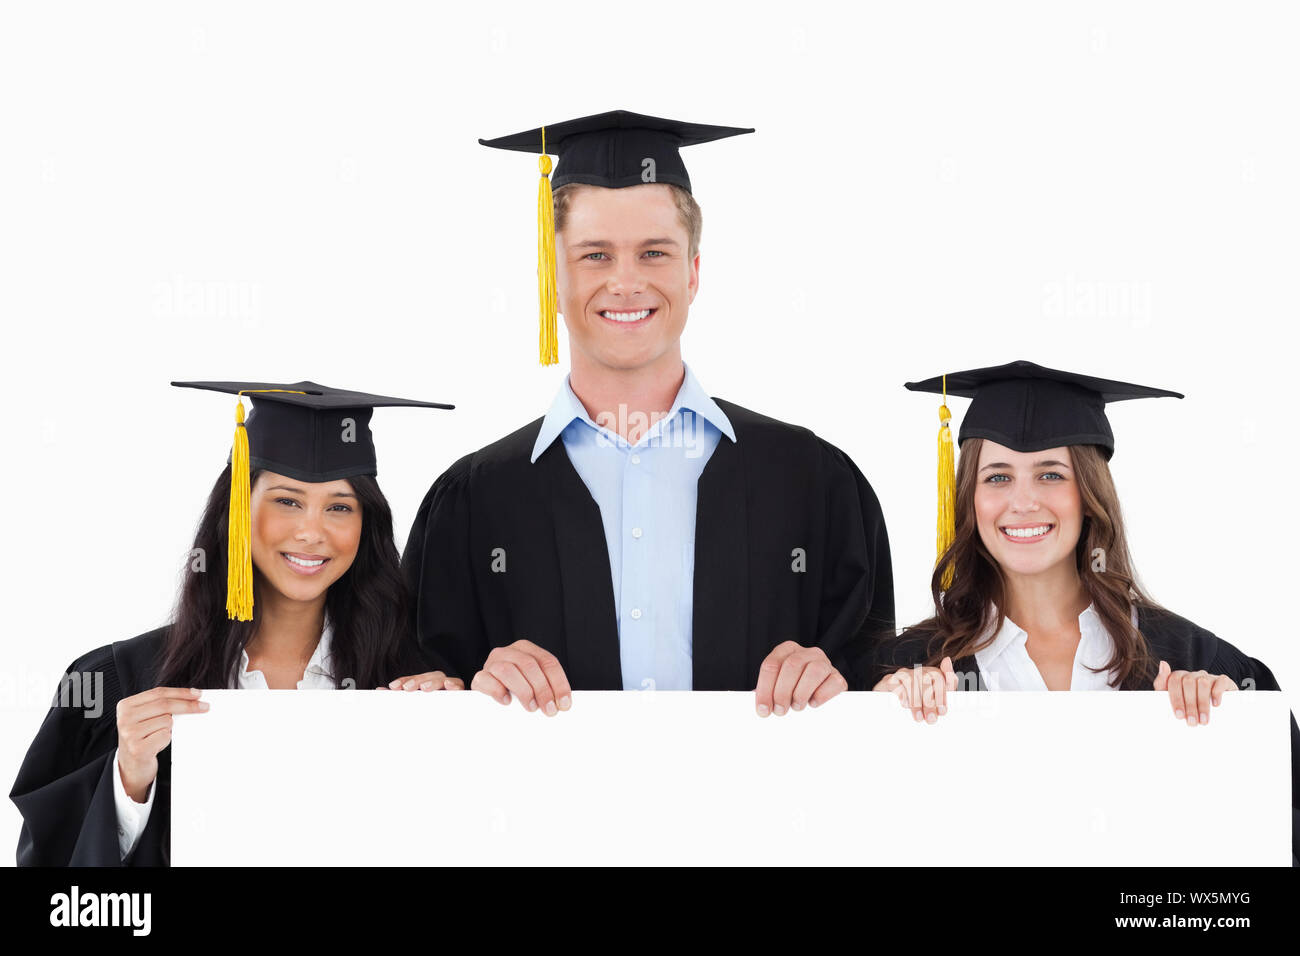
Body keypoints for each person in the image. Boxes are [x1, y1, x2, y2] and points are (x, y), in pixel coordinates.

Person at [402, 111, 895, 716]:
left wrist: (836, 680)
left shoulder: (811, 481)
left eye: (655, 253)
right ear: (551, 278)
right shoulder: (472, 501)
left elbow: (880, 686)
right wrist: (470, 690)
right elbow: (418, 698)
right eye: (595, 256)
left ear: (693, 273)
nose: (627, 282)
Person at [10, 380, 456, 866]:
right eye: (287, 500)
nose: (311, 531)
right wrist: (129, 780)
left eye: (339, 506)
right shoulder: (123, 679)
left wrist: (456, 738)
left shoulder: (409, 682)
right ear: (237, 509)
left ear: (365, 524)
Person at [871, 359, 1299, 864]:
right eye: (998, 476)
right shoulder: (907, 669)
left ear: (1089, 494)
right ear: (969, 497)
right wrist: (874, 733)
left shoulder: (1194, 660)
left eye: (1051, 474)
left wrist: (1234, 744)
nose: (1023, 501)